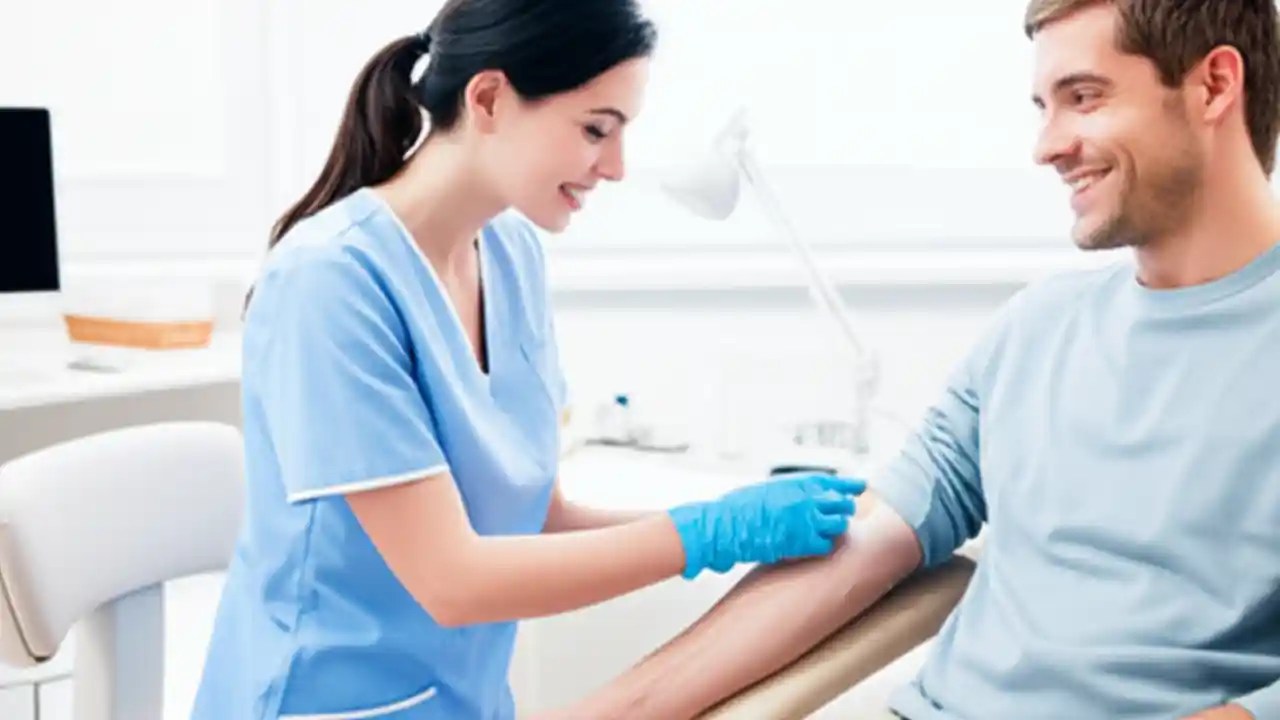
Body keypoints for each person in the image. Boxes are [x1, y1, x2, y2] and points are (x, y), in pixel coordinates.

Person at [546, 1, 1280, 719]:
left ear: (1214, 84)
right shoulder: (1035, 331)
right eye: (1042, 107)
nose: (1047, 145)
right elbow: (870, 544)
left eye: (1083, 98)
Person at [190, 1, 868, 718]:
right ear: (488, 99)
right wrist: (706, 536)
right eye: (594, 129)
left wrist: (717, 521)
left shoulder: (510, 255)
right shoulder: (330, 284)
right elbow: (452, 579)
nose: (615, 166)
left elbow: (535, 524)